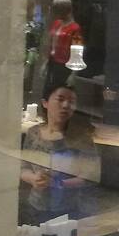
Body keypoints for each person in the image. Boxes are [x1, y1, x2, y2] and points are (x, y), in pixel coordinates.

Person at [19, 83, 101, 224]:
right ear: (45, 103)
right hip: (36, 206)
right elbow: (22, 168)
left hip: (71, 210)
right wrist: (33, 179)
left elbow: (90, 177)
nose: (65, 105)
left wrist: (57, 183)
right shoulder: (34, 133)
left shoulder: (81, 137)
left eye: (71, 102)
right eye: (60, 99)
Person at [43, 0, 81, 95]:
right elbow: (51, 43)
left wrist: (73, 74)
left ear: (65, 10)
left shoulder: (75, 29)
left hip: (64, 67)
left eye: (58, 9)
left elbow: (77, 52)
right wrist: (46, 61)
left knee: (60, 93)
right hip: (52, 63)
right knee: (48, 92)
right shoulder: (56, 23)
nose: (55, 12)